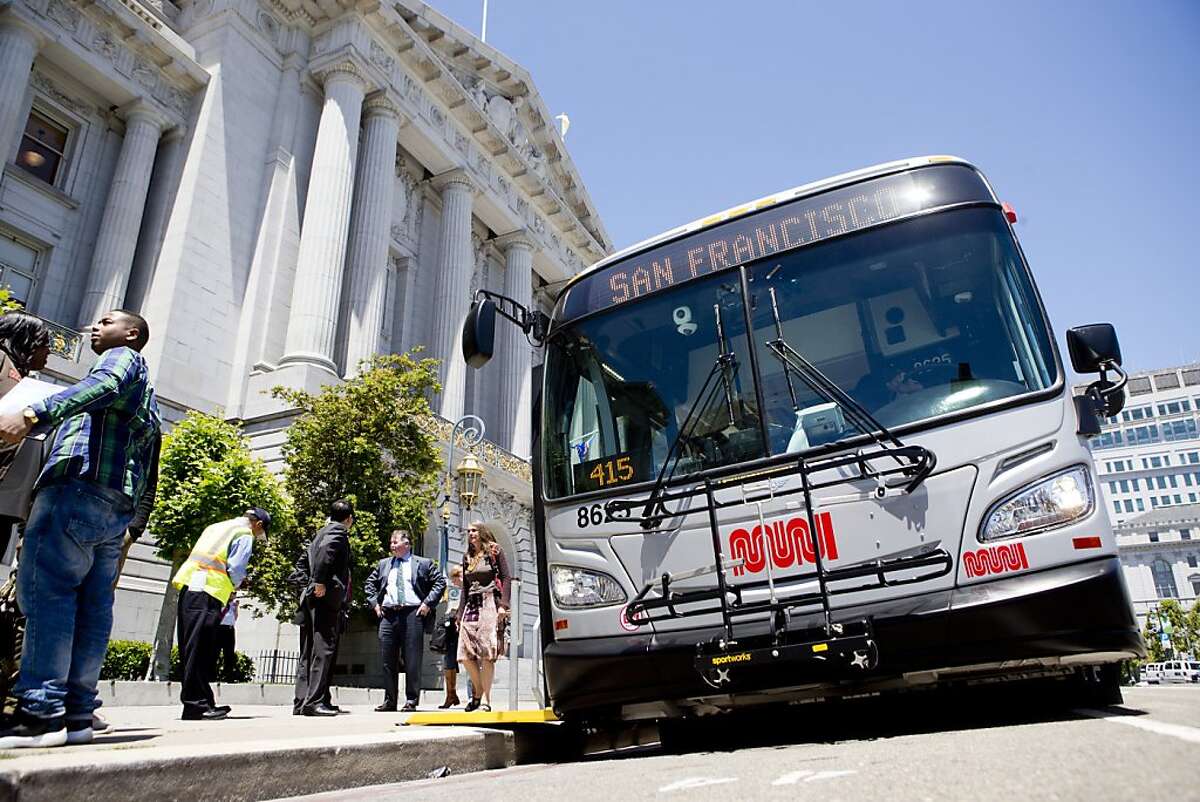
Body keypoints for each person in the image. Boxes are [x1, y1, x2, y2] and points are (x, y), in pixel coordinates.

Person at [0, 310, 160, 748]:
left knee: (47, 595)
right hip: (111, 505)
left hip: (76, 490)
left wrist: (33, 414)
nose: (94, 326)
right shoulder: (148, 394)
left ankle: (40, 711)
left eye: (105, 321)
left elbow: (100, 386)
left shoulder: (121, 360)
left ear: (131, 333)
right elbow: (149, 459)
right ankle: (76, 713)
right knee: (92, 608)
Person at [172, 508, 270, 721]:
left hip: (191, 586)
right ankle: (196, 705)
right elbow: (236, 567)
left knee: (193, 647)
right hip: (210, 590)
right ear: (258, 524)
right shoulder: (244, 534)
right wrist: (235, 585)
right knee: (201, 649)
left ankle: (201, 702)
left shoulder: (216, 527)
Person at [365, 530, 445, 713]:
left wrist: (427, 604)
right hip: (388, 614)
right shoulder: (384, 564)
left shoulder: (422, 564)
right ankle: (389, 700)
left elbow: (439, 582)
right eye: (391, 542)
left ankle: (411, 700)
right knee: (387, 659)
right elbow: (370, 584)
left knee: (412, 659)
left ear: (407, 544)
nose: (392, 545)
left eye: (395, 542)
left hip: (412, 613)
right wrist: (374, 605)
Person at [294, 499, 352, 717]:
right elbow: (327, 554)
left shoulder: (320, 532)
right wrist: (318, 582)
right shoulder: (338, 532)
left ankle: (301, 701)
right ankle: (314, 702)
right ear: (349, 519)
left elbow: (302, 561)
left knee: (308, 651)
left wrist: (305, 584)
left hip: (312, 598)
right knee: (323, 648)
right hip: (325, 598)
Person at [457, 521, 510, 713]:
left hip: (489, 602)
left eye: (474, 530)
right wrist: (459, 613)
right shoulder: (467, 557)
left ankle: (485, 700)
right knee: (464, 654)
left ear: (482, 532)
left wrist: (503, 605)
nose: (470, 533)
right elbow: (464, 587)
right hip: (471, 604)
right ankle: (478, 690)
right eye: (469, 530)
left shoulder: (495, 551)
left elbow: (506, 578)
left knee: (487, 653)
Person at [438, 565, 464, 709]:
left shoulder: (470, 587)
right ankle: (451, 694)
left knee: (469, 660)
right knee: (448, 660)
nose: (456, 580)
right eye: (454, 576)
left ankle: (475, 695)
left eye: (458, 575)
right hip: (451, 624)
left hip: (466, 623)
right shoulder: (450, 589)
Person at [213, 594, 238, 684]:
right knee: (215, 652)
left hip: (229, 629)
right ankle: (211, 675)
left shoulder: (233, 605)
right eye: (233, 594)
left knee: (229, 654)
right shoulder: (221, 603)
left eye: (235, 594)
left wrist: (236, 609)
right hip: (220, 628)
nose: (234, 596)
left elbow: (235, 618)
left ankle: (228, 676)